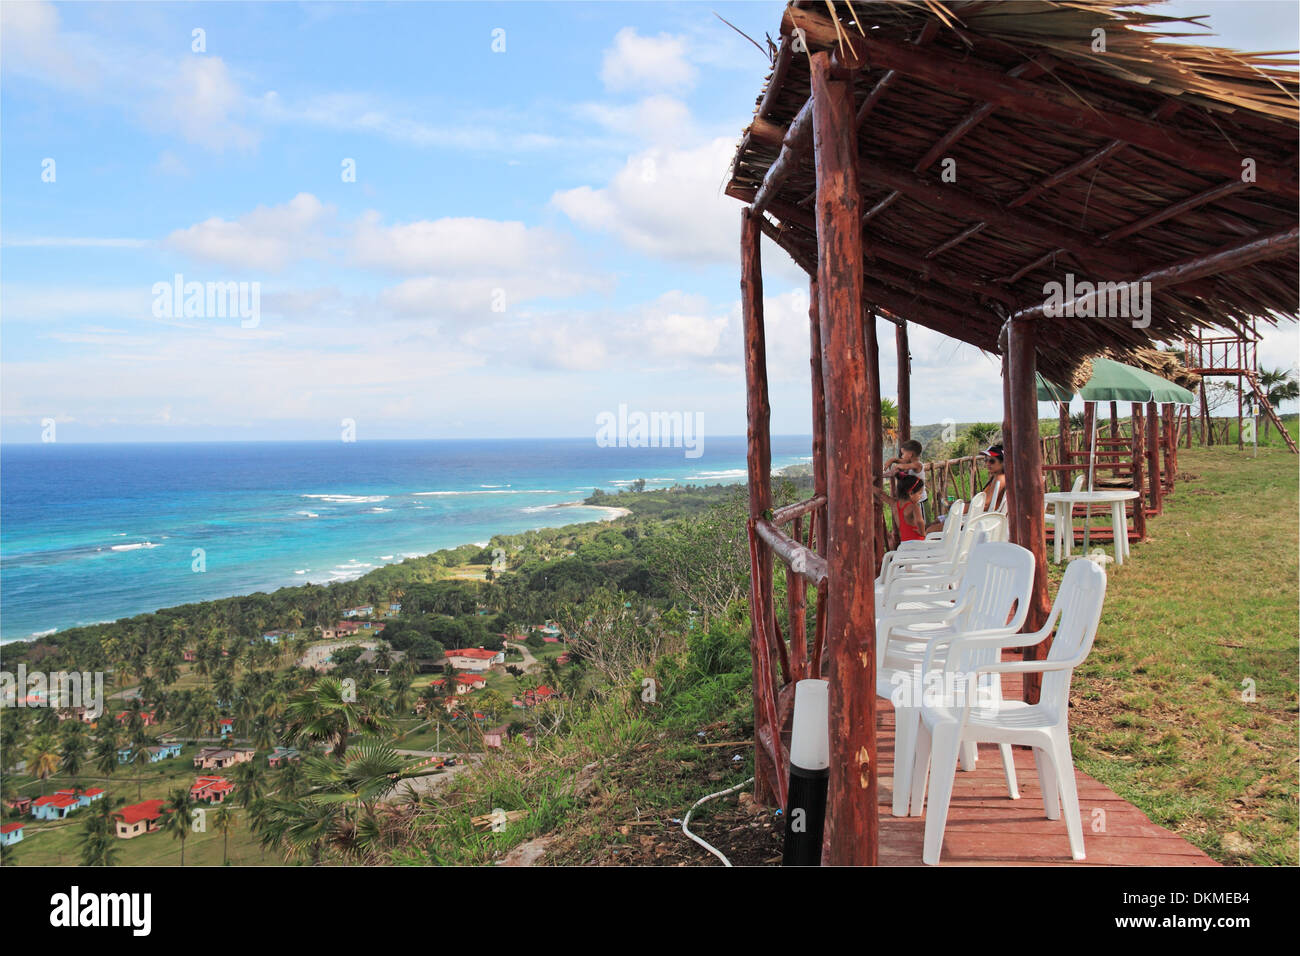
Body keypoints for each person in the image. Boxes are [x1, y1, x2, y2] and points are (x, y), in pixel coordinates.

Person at [875, 473, 926, 542]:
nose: (921, 496)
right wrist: (922, 533)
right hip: (917, 543)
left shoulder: (894, 504)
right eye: (920, 493)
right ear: (911, 493)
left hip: (904, 544)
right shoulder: (914, 507)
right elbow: (919, 521)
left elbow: (881, 494)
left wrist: (870, 485)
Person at [979, 444, 1007, 510]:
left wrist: (962, 507)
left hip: (990, 516)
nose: (987, 464)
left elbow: (986, 504)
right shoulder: (996, 476)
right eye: (986, 460)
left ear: (1002, 462)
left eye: (992, 461)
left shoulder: (1000, 478)